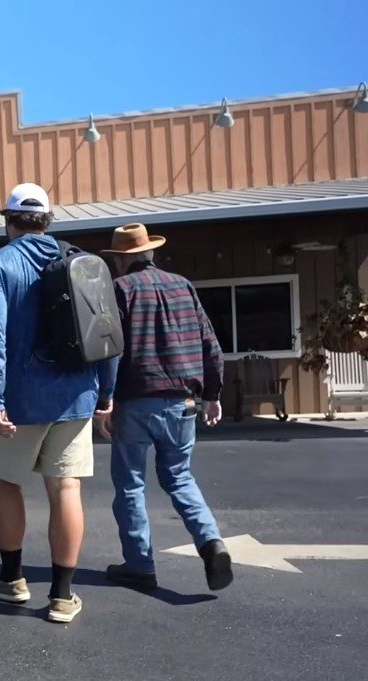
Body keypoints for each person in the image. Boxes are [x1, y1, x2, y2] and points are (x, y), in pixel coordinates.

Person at [0, 182, 118, 624]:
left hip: (18, 400)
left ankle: (13, 580)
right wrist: (106, 394)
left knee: (7, 484)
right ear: (48, 220)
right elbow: (109, 334)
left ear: (8, 220)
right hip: (75, 396)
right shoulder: (84, 261)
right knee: (66, 489)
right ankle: (61, 596)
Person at [95, 223, 233, 592]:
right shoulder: (183, 286)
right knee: (179, 477)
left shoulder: (119, 290)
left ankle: (140, 565)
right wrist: (213, 395)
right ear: (150, 253)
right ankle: (211, 542)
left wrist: (104, 401)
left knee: (130, 485)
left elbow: (111, 351)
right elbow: (210, 345)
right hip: (183, 402)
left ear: (122, 260)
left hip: (135, 403)